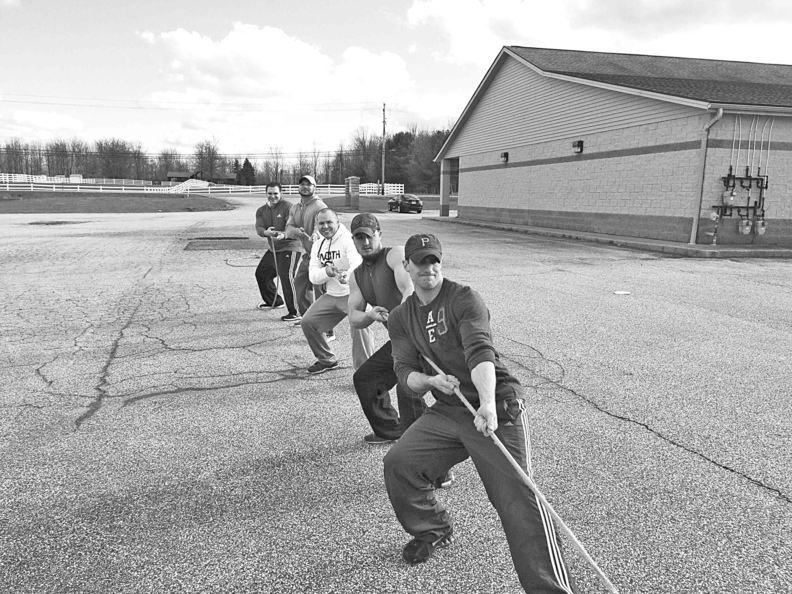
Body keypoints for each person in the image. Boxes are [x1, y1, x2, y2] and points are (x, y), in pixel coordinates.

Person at [384, 233, 574, 593]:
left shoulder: (464, 298)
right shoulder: (401, 317)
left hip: (495, 404)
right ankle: (433, 529)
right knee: (399, 463)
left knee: (517, 499)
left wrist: (487, 402)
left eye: (434, 260)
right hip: (450, 408)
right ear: (406, 266)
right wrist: (430, 381)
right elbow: (404, 373)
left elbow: (480, 352)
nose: (428, 268)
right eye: (420, 262)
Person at [347, 213, 427, 445]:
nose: (365, 242)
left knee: (407, 388)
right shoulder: (357, 276)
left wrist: (399, 317)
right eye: (359, 238)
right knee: (366, 379)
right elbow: (354, 317)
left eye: (369, 236)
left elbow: (409, 288)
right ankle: (390, 430)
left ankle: (427, 450)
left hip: (426, 336)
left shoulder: (395, 255)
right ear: (353, 240)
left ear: (379, 234)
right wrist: (370, 315)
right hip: (403, 342)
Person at [301, 208, 374, 374]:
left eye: (329, 222)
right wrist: (327, 272)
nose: (325, 226)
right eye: (321, 223)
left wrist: (347, 276)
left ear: (337, 222)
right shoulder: (318, 244)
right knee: (308, 322)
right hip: (333, 294)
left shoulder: (348, 240)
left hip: (354, 294)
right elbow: (313, 276)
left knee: (359, 325)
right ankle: (326, 360)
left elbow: (357, 264)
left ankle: (366, 372)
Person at [254, 182, 301, 320]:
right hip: (274, 249)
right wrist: (265, 232)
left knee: (286, 277)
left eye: (275, 193)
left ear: (281, 193)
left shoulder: (288, 207)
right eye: (270, 193)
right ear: (266, 193)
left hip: (291, 246)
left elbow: (293, 227)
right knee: (262, 273)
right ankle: (274, 301)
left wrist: (284, 234)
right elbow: (259, 228)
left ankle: (295, 312)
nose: (273, 196)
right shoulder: (261, 210)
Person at [285, 174, 327, 321]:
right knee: (300, 285)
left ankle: (325, 326)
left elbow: (321, 226)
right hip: (308, 255)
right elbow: (289, 228)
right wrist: (297, 231)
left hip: (322, 256)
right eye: (302, 184)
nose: (305, 187)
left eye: (308, 184)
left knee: (320, 290)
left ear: (314, 187)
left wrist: (316, 234)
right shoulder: (295, 208)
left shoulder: (320, 206)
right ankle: (308, 318)